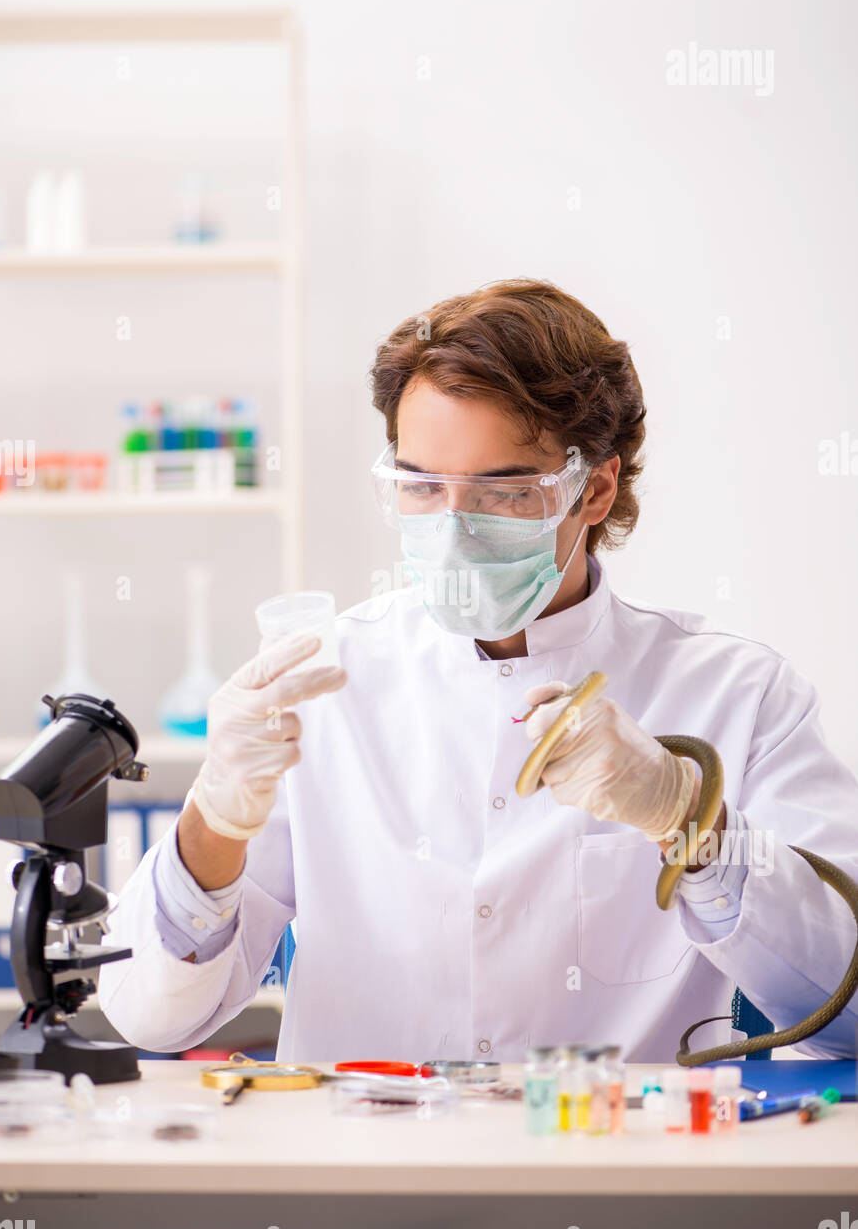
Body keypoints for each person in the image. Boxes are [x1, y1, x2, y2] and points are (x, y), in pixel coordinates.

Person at [98, 279, 858, 1062]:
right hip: (358, 1171)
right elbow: (151, 1018)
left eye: (502, 491)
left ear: (593, 488)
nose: (452, 531)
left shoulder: (736, 696)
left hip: (616, 1170)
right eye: (421, 487)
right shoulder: (321, 684)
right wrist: (213, 824)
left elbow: (848, 1008)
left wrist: (689, 821)